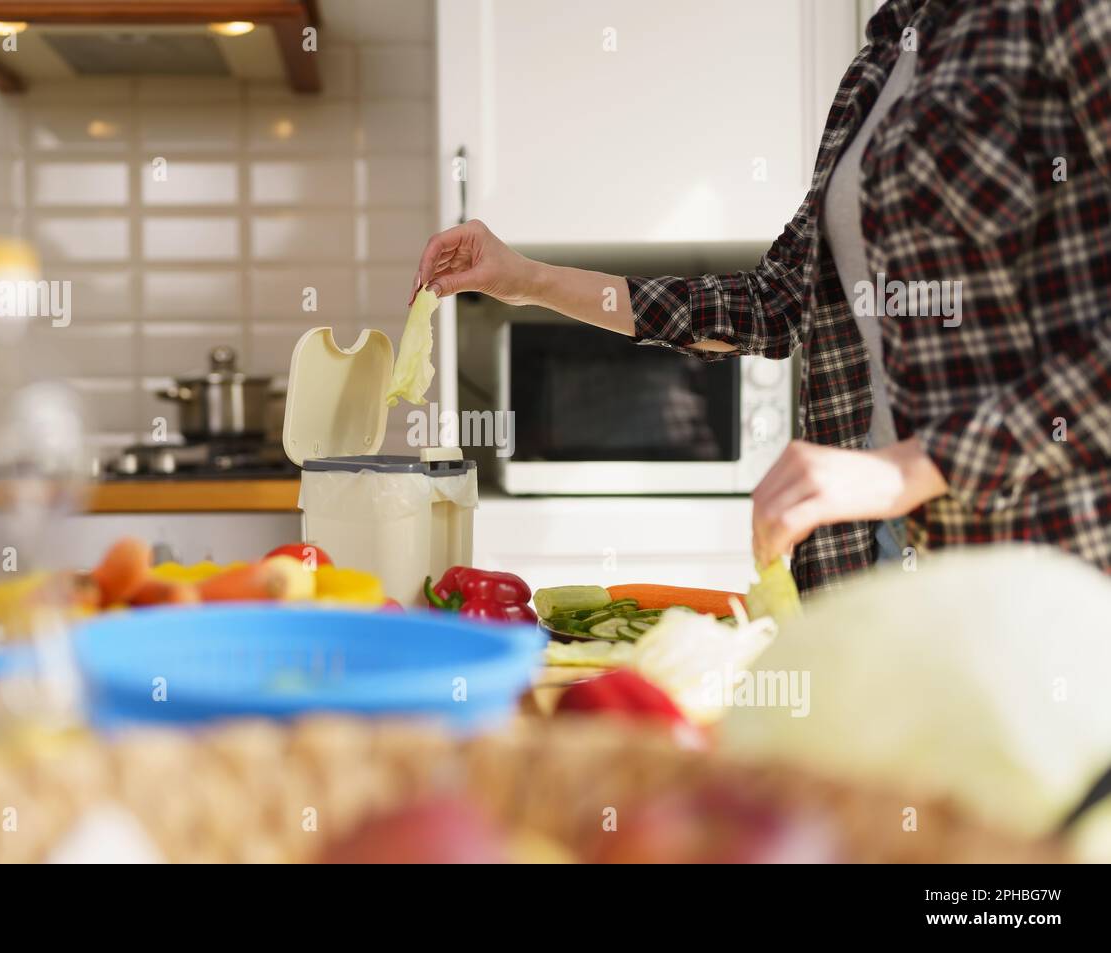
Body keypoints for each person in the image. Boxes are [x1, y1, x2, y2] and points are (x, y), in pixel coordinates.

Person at [410, 0, 1111, 595]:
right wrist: (523, 278)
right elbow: (774, 303)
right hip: (874, 557)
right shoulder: (884, 56)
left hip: (1041, 567)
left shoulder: (1062, 15)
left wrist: (911, 468)